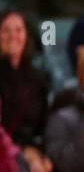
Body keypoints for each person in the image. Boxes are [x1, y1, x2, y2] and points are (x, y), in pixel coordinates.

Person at [0, 11, 50, 148]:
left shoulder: (38, 80)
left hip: (26, 150)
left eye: (18, 30)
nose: (12, 36)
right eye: (5, 30)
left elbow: (43, 126)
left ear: (27, 36)